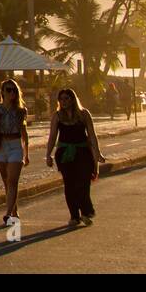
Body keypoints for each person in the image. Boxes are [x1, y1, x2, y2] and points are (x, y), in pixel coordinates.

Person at [45, 87, 106, 226]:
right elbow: (52, 137)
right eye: (61, 99)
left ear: (73, 99)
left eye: (66, 98)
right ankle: (74, 216)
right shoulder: (57, 116)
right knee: (69, 185)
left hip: (83, 152)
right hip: (65, 154)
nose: (63, 101)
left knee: (83, 183)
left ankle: (85, 212)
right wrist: (48, 155)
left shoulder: (84, 114)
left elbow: (92, 135)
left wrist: (97, 153)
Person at [0, 78, 30, 227]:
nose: (12, 92)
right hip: (0, 146)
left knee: (13, 180)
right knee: (6, 181)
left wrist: (26, 153)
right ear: (3, 92)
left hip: (15, 145)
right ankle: (14, 211)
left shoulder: (21, 110)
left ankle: (7, 213)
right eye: (9, 90)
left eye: (14, 90)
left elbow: (24, 132)